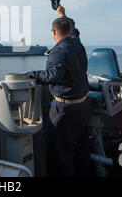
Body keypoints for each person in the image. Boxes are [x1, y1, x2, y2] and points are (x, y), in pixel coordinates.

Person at [28, 17, 91, 177]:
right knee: (80, 151)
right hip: (82, 106)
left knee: (59, 155)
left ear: (54, 32)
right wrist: (62, 14)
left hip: (65, 110)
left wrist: (31, 75)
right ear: (69, 30)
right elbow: (75, 32)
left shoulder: (57, 51)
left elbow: (52, 75)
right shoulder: (77, 44)